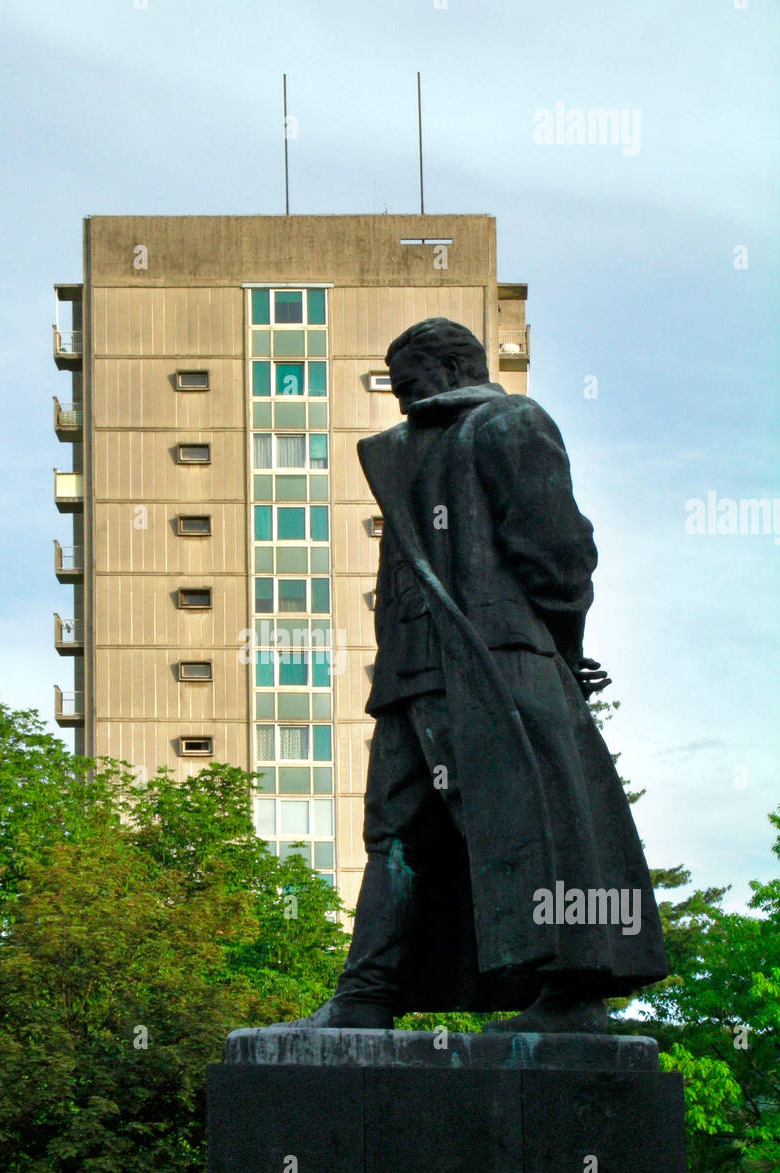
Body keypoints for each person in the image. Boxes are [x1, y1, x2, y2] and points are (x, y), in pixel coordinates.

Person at [275, 318, 668, 1034]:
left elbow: (557, 555)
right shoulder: (408, 449)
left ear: (453, 364)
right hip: (416, 675)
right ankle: (364, 996)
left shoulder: (509, 422)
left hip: (489, 663)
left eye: (408, 384)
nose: (399, 402)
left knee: (523, 821)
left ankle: (570, 995)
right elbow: (547, 559)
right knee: (397, 832)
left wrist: (558, 650)